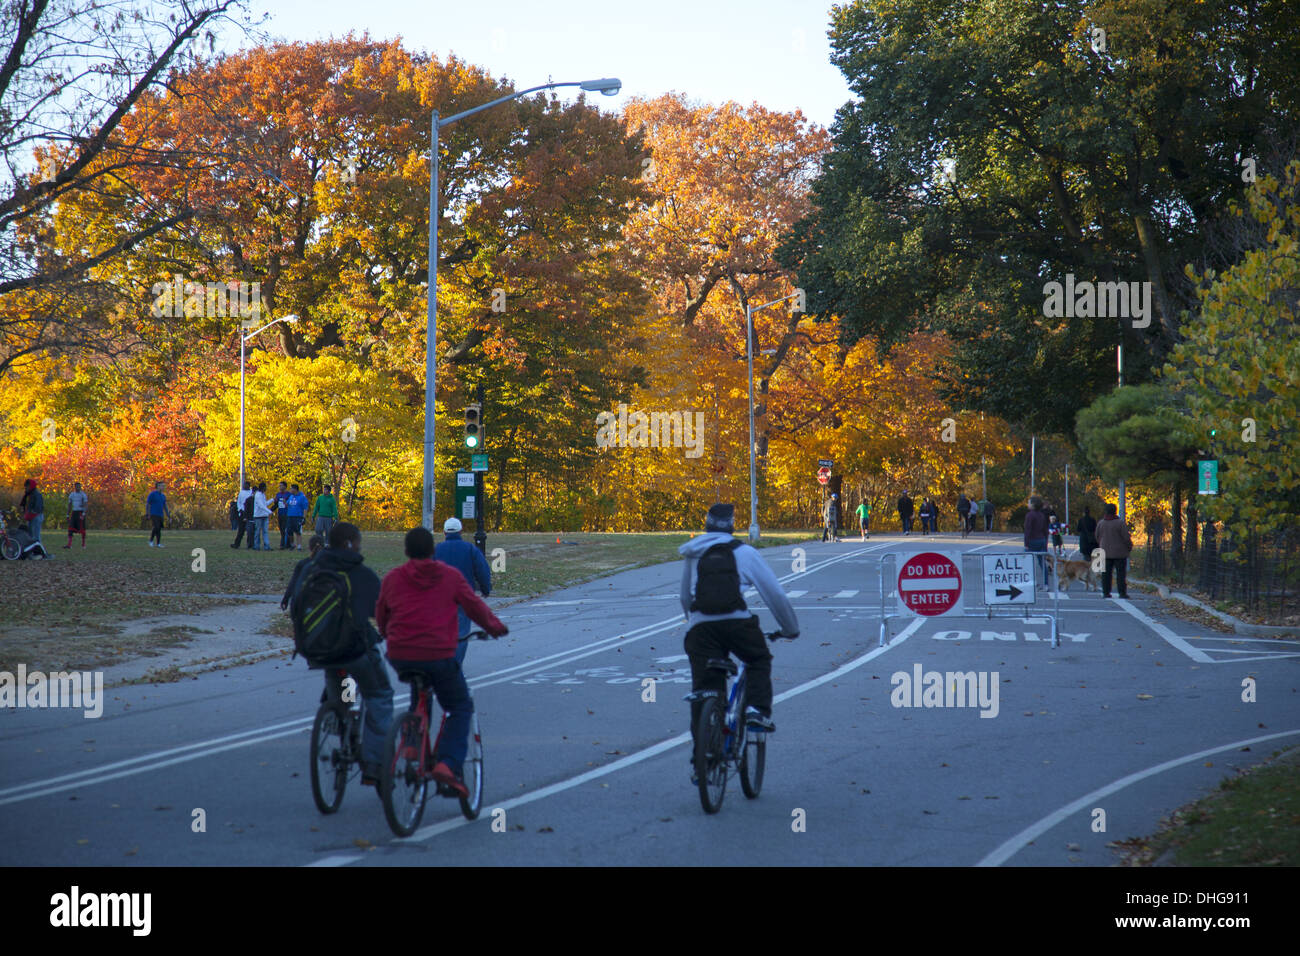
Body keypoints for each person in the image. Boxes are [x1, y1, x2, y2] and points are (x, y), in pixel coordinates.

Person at [378, 526, 508, 796]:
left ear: (406, 551)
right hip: (438, 654)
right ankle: (448, 764)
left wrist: (387, 633)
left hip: (401, 655)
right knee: (460, 706)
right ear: (432, 552)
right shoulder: (449, 577)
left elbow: (382, 614)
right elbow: (474, 606)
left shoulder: (393, 578)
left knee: (419, 693)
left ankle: (412, 742)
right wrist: (495, 627)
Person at [679, 504, 799, 783]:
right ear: (733, 526)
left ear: (707, 525)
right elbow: (775, 595)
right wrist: (789, 629)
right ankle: (756, 710)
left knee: (704, 690)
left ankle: (704, 761)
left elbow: (685, 597)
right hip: (737, 625)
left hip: (701, 629)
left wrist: (695, 621)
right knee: (758, 659)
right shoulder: (745, 553)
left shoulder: (693, 553)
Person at [298, 522, 394, 785]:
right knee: (380, 695)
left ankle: (338, 721)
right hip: (354, 650)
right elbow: (382, 611)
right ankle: (375, 763)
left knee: (341, 691)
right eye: (358, 542)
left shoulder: (310, 569)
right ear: (350, 543)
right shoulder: (360, 573)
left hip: (318, 651)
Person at [434, 517, 493, 666]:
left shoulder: (436, 551)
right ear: (460, 531)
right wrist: (486, 589)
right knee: (461, 633)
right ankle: (455, 666)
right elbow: (482, 570)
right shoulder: (470, 549)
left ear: (444, 532)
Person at [1094, 503, 1133, 599]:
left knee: (1106, 574)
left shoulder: (1101, 523)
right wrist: (1129, 547)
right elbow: (1126, 538)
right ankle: (1122, 592)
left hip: (1105, 552)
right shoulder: (1120, 523)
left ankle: (1106, 592)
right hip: (1120, 552)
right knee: (1120, 574)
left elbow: (1097, 536)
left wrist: (1101, 544)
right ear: (1115, 511)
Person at [281, 535, 325, 610]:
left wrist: (286, 598)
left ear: (309, 548)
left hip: (305, 602)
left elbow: (293, 582)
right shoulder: (328, 563)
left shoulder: (303, 564)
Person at [1023, 495, 1050, 589]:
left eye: (1029, 502)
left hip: (1032, 541)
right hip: (1042, 540)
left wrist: (1026, 544)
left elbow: (1028, 530)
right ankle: (1046, 584)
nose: (1028, 504)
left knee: (1027, 562)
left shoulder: (1029, 515)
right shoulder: (1042, 515)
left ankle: (1032, 582)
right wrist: (1045, 542)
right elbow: (1045, 530)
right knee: (1042, 563)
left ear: (1033, 504)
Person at [20, 478, 45, 546]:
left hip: (36, 516)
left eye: (27, 486)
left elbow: (38, 506)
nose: (26, 488)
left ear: (31, 486)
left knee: (36, 535)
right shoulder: (29, 494)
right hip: (31, 516)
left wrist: (31, 511)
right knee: (30, 535)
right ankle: (32, 550)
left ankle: (38, 551)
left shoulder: (36, 494)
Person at [231, 481, 256, 549]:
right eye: (244, 485)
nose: (244, 486)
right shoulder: (241, 492)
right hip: (242, 513)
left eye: (245, 485)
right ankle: (237, 544)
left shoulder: (251, 492)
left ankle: (250, 544)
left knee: (250, 530)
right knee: (241, 530)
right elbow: (239, 502)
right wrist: (240, 510)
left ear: (248, 486)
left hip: (249, 513)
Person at [146, 481, 171, 547]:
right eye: (162, 486)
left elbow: (165, 506)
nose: (163, 487)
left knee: (159, 529)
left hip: (160, 514)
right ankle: (151, 541)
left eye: (164, 486)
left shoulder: (163, 496)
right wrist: (148, 514)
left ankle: (158, 543)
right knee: (156, 527)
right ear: (158, 486)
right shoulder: (152, 494)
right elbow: (148, 504)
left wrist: (168, 516)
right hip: (153, 513)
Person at [285, 483, 309, 550]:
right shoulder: (291, 496)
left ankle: (299, 546)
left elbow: (305, 508)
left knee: (298, 531)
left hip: (298, 516)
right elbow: (287, 504)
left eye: (291, 488)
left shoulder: (302, 497)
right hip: (290, 516)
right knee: (289, 531)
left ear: (295, 489)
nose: (290, 490)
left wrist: (304, 517)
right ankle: (292, 544)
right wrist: (285, 503)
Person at [65, 482, 88, 548]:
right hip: (74, 512)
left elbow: (86, 504)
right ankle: (69, 544)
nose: (78, 488)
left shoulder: (83, 494)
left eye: (79, 486)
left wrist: (83, 514)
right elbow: (69, 505)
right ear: (74, 487)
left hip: (80, 512)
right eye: (77, 486)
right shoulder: (72, 495)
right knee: (71, 528)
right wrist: (67, 515)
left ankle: (83, 544)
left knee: (82, 529)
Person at [253, 481, 273, 551]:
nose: (266, 489)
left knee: (265, 531)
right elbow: (261, 506)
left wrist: (272, 500)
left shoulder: (263, 495)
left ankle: (266, 546)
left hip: (264, 515)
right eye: (265, 487)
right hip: (258, 516)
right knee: (257, 531)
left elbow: (265, 504)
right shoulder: (258, 495)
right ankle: (256, 545)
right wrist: (269, 512)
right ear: (262, 488)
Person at [274, 481, 290, 549]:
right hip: (280, 514)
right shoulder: (278, 494)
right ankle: (283, 544)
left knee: (286, 529)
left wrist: (286, 502)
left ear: (285, 486)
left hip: (286, 514)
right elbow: (276, 505)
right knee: (281, 529)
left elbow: (290, 504)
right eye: (279, 486)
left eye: (281, 486)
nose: (280, 487)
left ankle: (285, 544)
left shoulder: (289, 494)